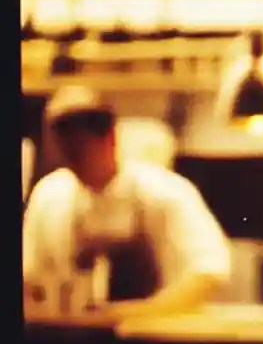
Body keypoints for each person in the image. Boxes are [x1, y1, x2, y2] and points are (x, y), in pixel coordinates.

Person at [23, 86, 231, 319]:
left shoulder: (164, 191)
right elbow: (28, 279)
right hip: (73, 343)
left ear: (110, 138)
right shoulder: (49, 195)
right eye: (65, 145)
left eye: (81, 146)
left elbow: (208, 273)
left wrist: (136, 313)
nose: (72, 156)